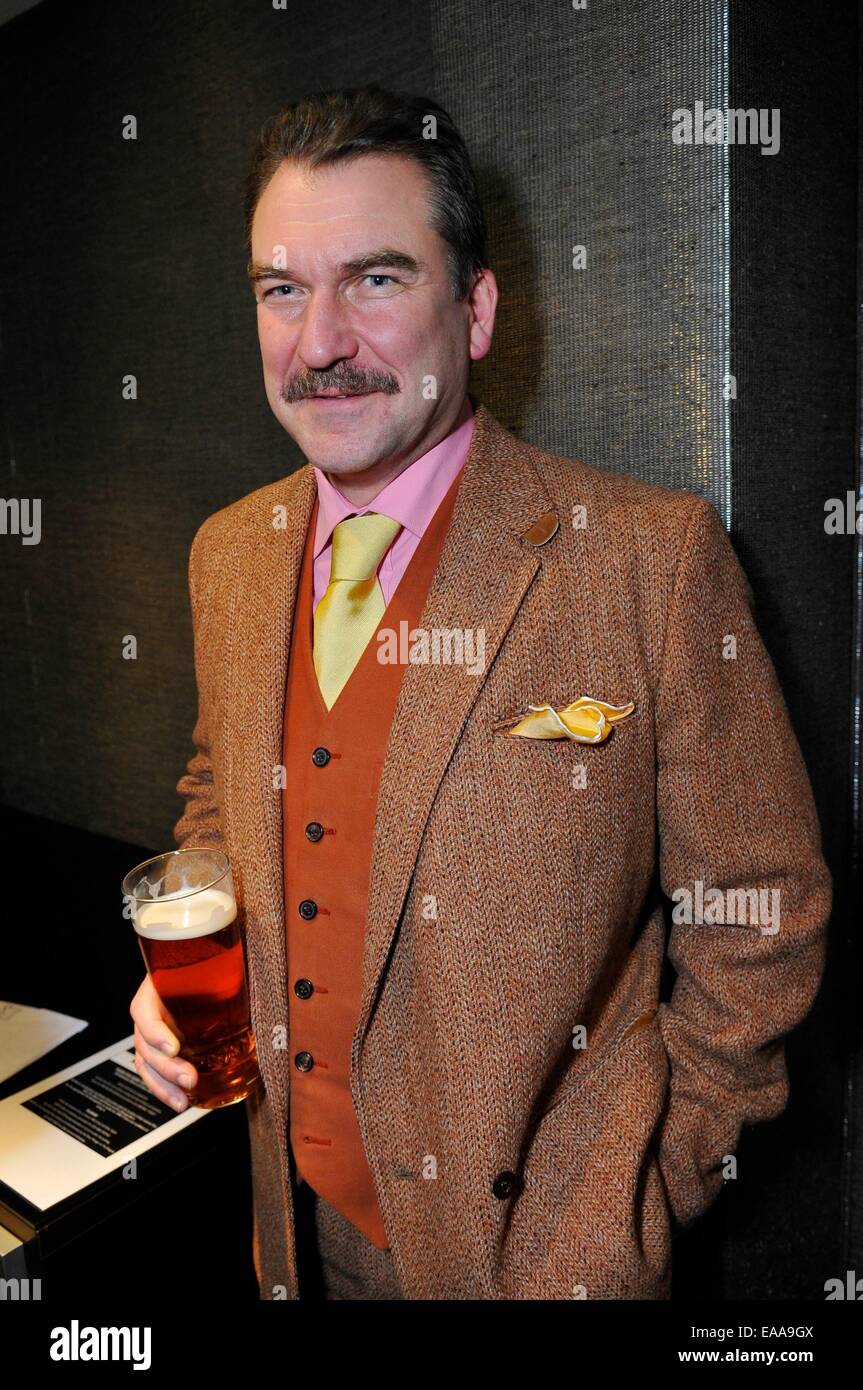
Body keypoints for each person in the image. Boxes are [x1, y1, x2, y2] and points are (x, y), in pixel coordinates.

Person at [130, 83, 831, 1301]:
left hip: (542, 1262)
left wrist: (638, 1202)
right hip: (290, 1238)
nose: (319, 341)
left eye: (378, 279)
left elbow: (761, 907)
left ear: (478, 308)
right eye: (281, 289)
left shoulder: (645, 558)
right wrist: (193, 945)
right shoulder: (226, 556)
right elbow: (221, 794)